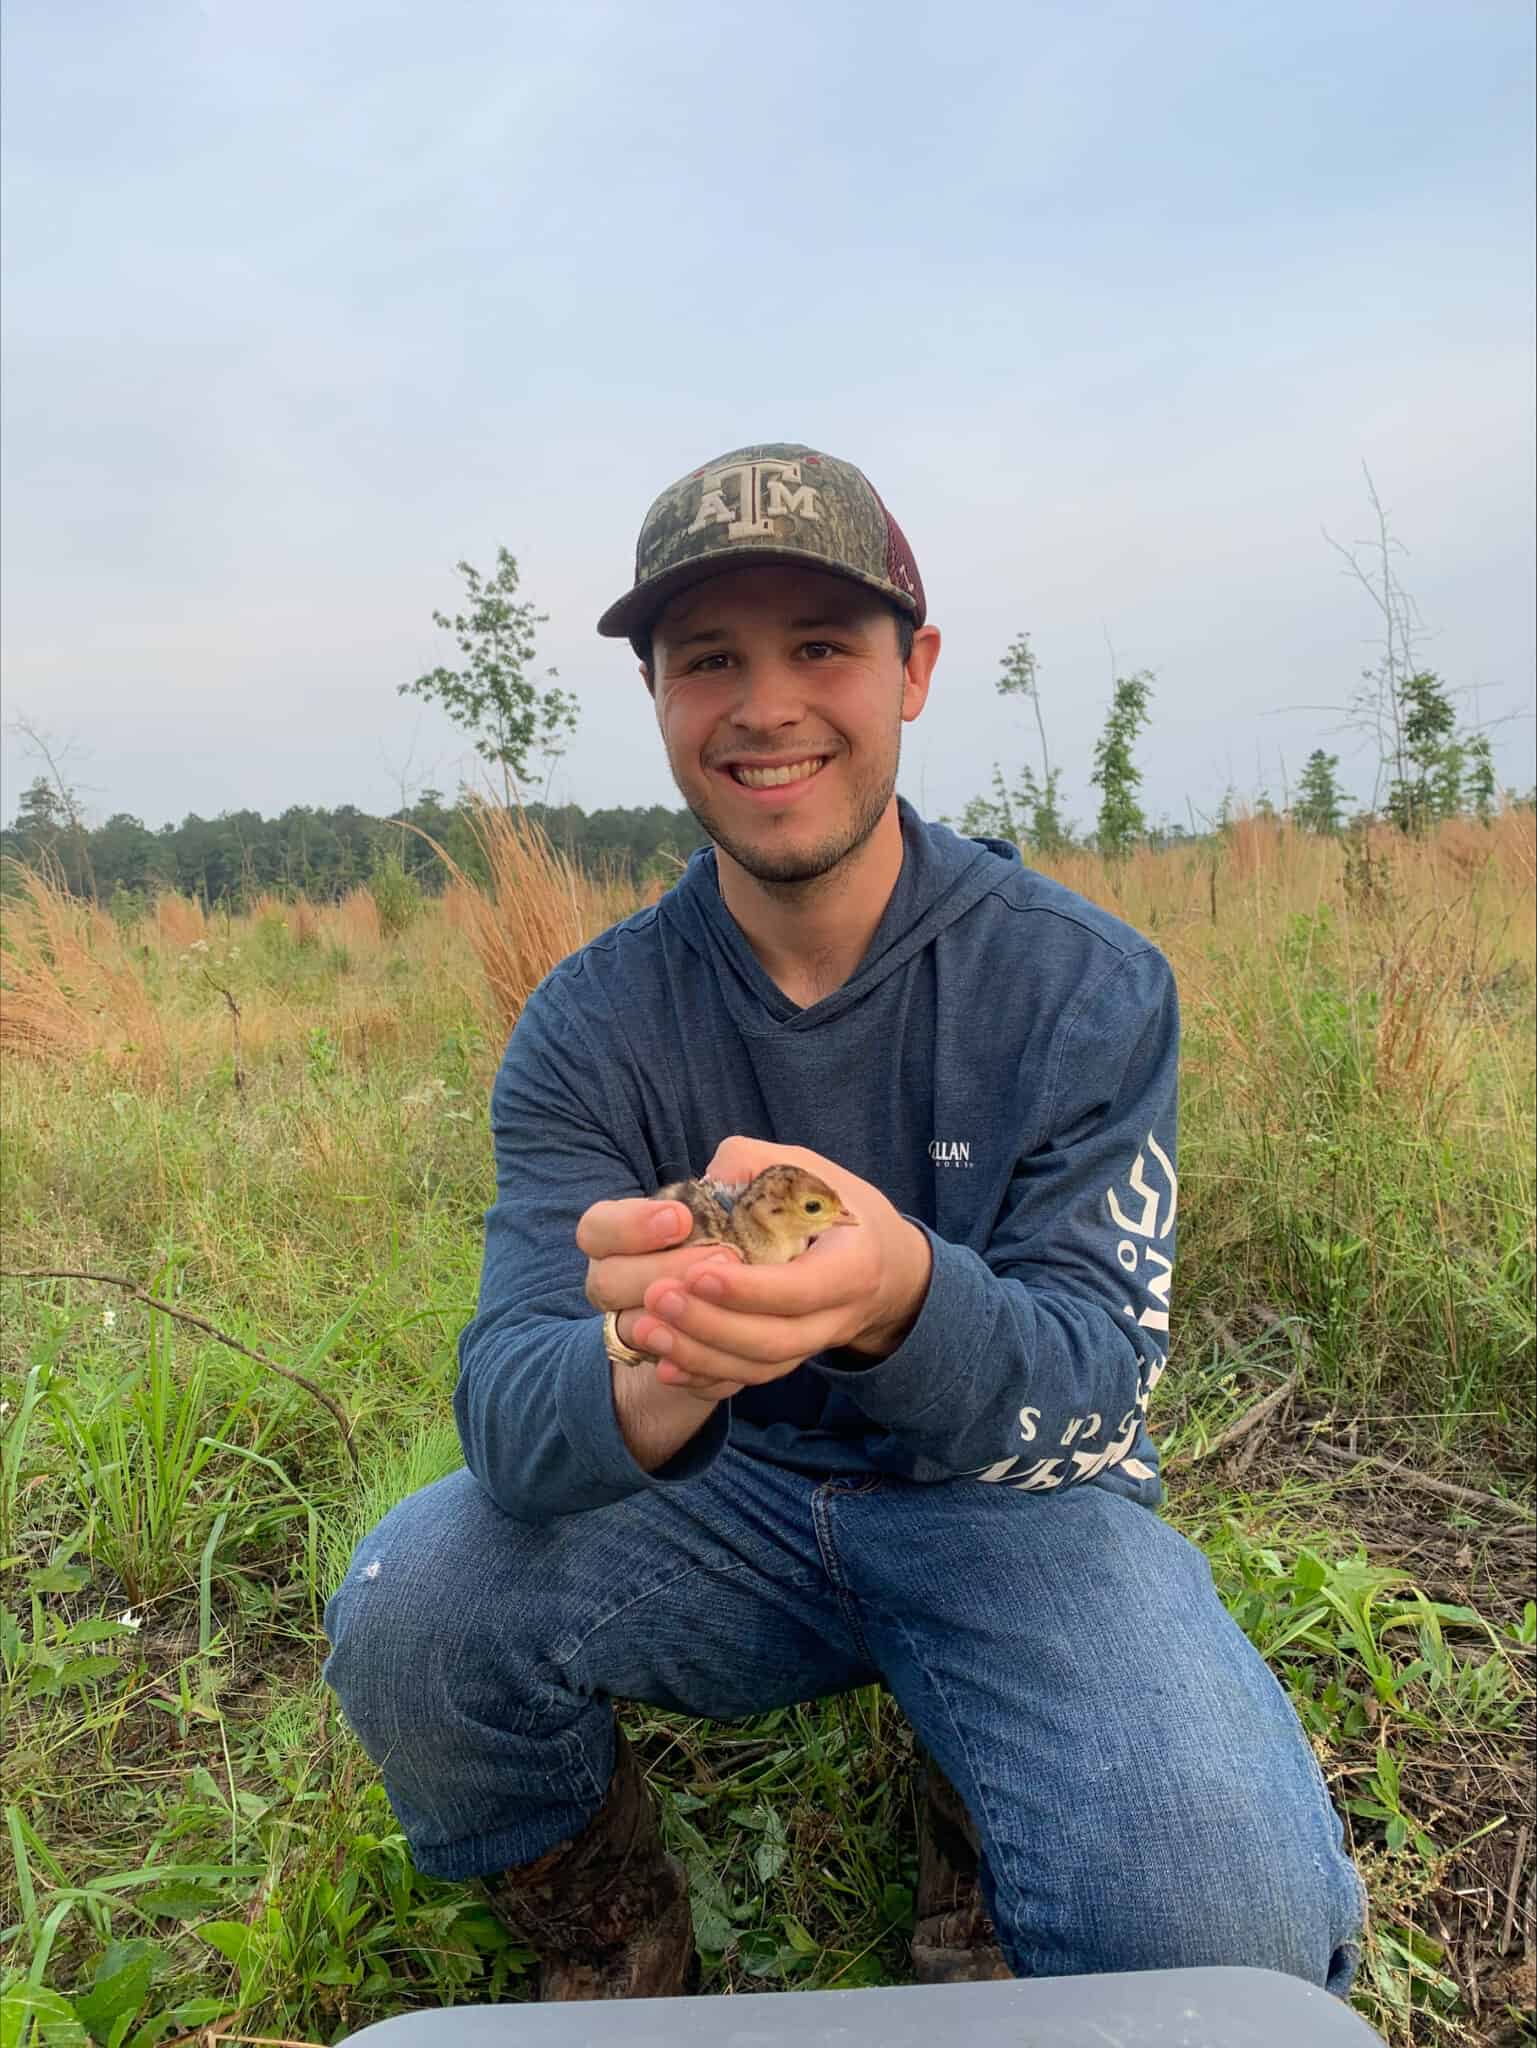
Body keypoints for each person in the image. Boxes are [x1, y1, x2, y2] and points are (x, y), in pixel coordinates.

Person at [323, 441, 1366, 2003]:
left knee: (1226, 1945)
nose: (765, 705)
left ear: (914, 670)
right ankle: (611, 1941)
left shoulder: (1079, 984)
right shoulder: (590, 1023)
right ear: (662, 699)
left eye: (821, 646)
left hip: (1013, 1506)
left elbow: (1092, 1388)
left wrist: (894, 1296)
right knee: (413, 1606)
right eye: (708, 660)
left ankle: (985, 1843)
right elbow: (509, 1416)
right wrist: (651, 1369)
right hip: (722, 1504)